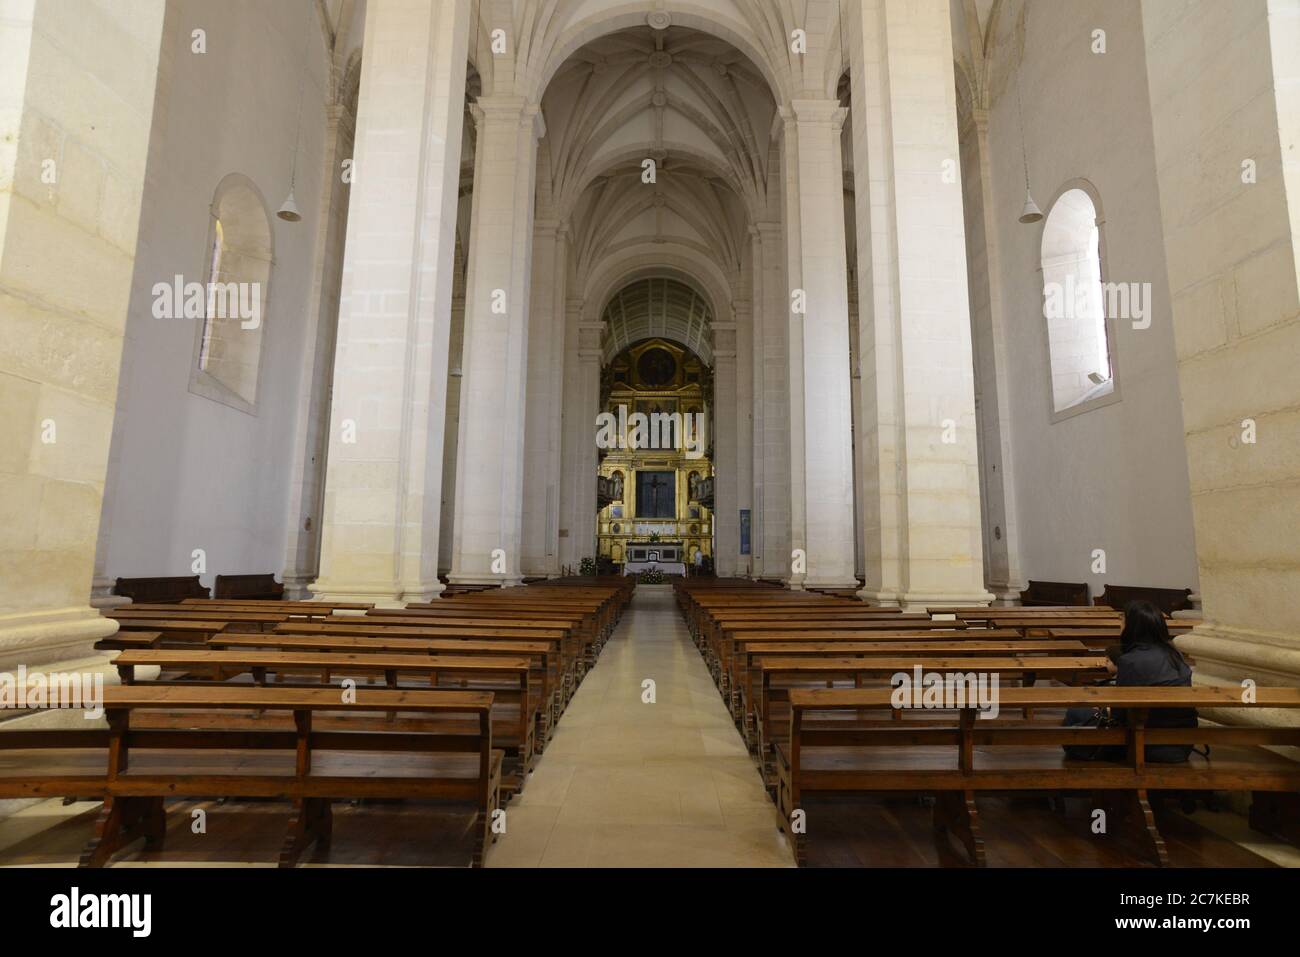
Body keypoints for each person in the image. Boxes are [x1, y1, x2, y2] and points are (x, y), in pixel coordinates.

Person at [1063, 600, 1196, 763]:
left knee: (1076, 712)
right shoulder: (1175, 654)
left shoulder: (1131, 660)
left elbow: (1120, 714)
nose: (1120, 623)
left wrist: (1105, 708)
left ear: (1132, 627)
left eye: (1123, 619)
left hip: (1147, 744)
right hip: (1182, 742)